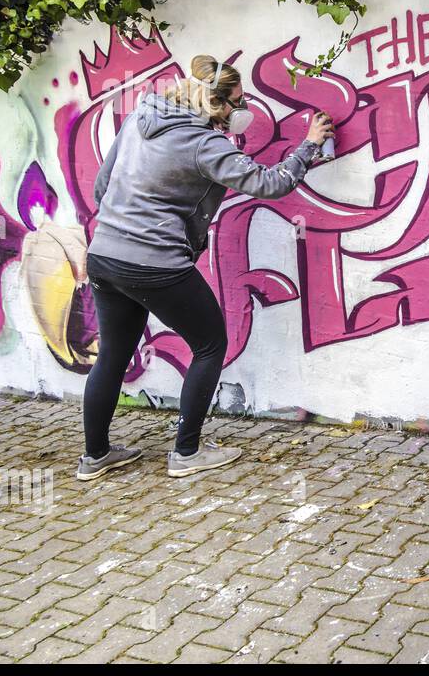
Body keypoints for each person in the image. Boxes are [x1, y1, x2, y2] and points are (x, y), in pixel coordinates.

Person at [76, 54, 335, 481]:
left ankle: (95, 456)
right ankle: (187, 452)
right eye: (238, 102)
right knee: (210, 343)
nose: (243, 110)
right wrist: (308, 145)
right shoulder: (205, 144)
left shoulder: (140, 117)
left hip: (104, 255)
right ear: (217, 103)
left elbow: (102, 185)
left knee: (113, 354)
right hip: (155, 261)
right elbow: (271, 183)